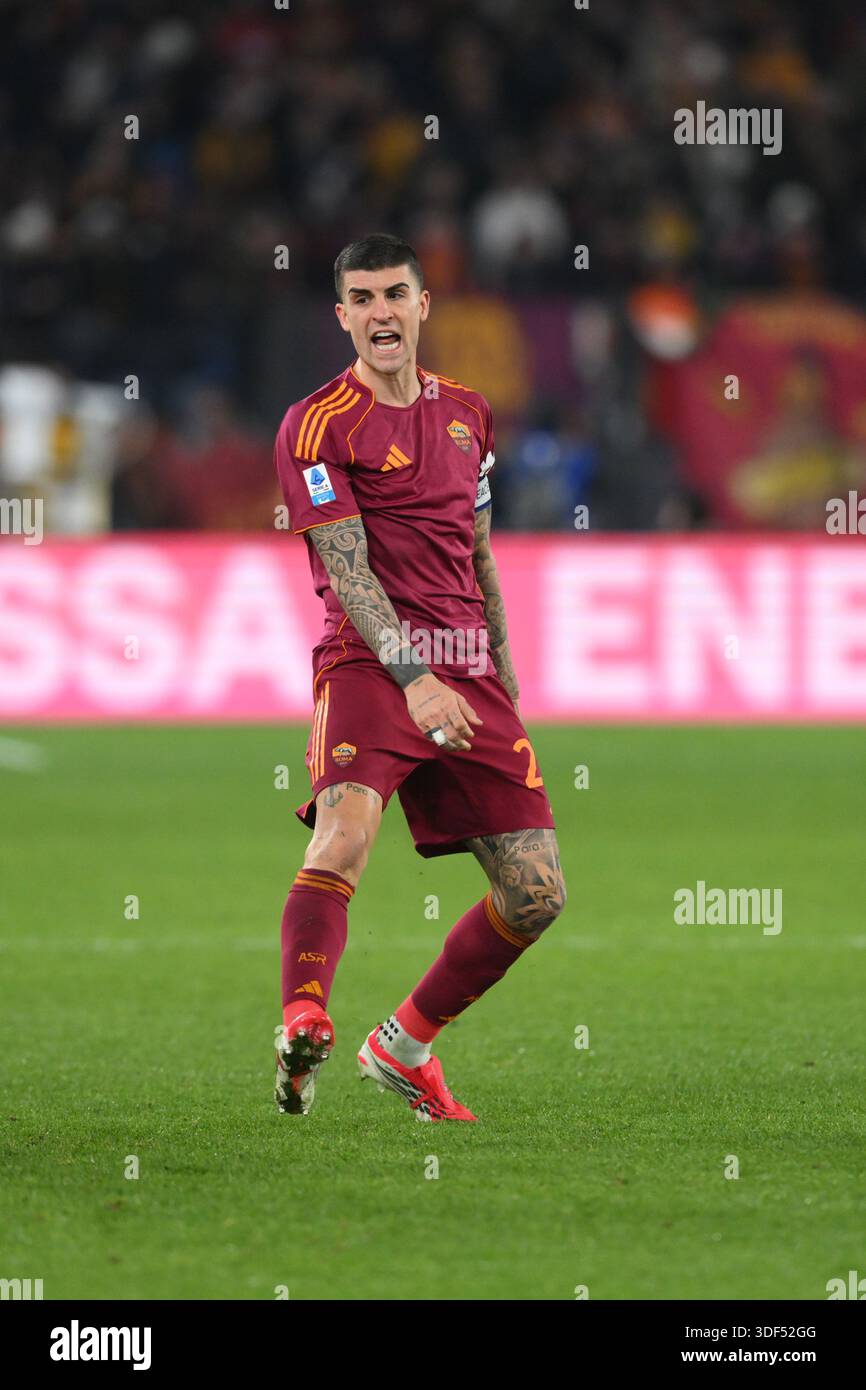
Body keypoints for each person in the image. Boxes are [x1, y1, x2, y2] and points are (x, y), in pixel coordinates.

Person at [272, 233, 566, 1122]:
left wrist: (500, 661)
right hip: (371, 660)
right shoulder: (316, 424)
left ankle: (402, 1045)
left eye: (394, 294)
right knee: (345, 836)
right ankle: (303, 1018)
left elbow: (476, 546)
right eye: (361, 300)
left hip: (467, 664)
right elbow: (348, 566)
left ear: (423, 304)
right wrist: (415, 678)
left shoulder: (469, 412)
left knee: (537, 891)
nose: (380, 313)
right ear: (343, 316)